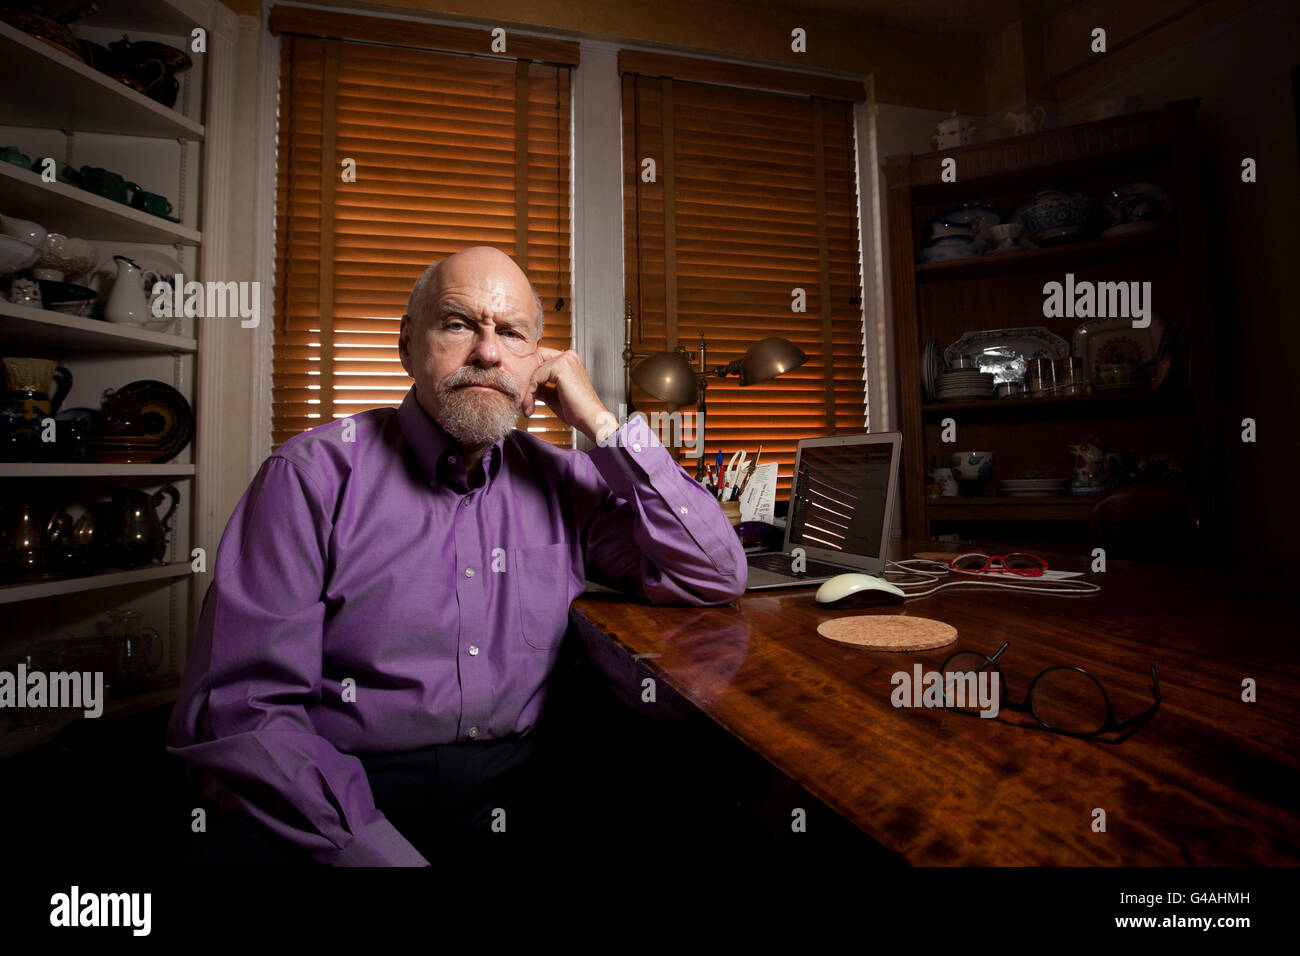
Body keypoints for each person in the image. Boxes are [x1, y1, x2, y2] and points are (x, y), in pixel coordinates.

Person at [166, 246, 747, 866]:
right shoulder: (308, 479)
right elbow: (244, 716)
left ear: (538, 368)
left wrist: (603, 425)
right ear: (406, 346)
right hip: (349, 797)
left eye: (514, 334)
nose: (489, 353)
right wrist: (369, 850)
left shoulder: (564, 481)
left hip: (528, 788)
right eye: (458, 324)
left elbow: (712, 572)